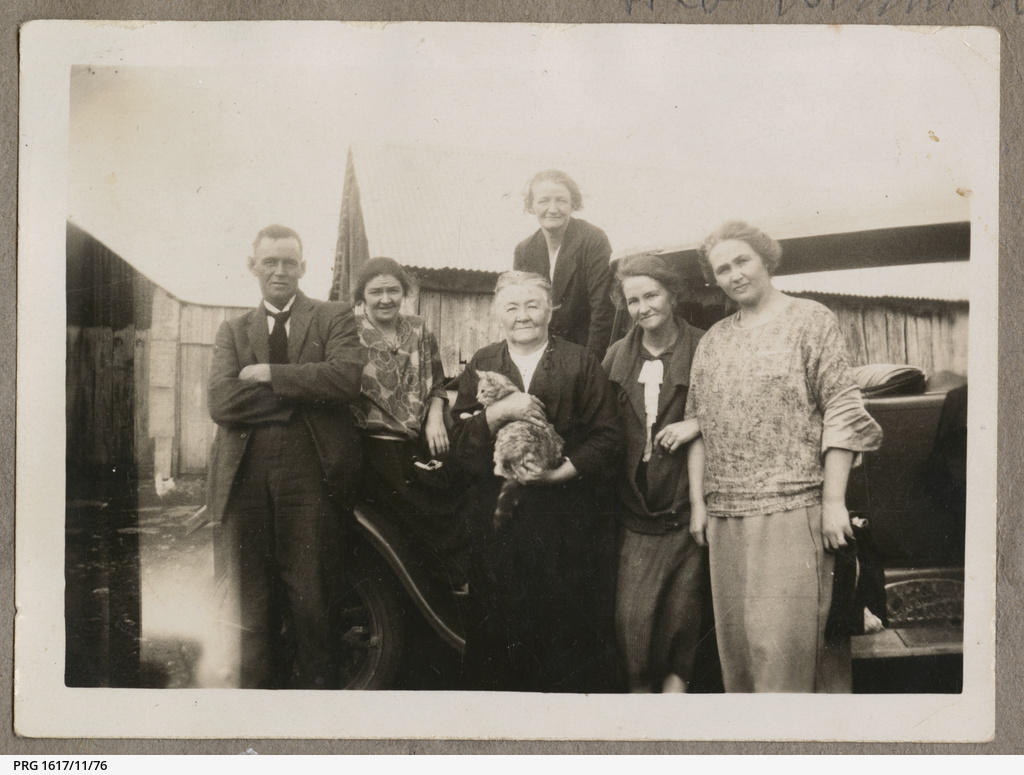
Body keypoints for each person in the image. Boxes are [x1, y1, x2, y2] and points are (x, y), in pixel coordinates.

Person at [685, 220, 883, 693]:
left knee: (788, 655)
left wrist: (833, 502)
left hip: (794, 511)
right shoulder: (714, 340)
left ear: (765, 259)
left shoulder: (810, 319)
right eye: (722, 269)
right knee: (742, 657)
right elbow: (700, 426)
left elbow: (841, 406)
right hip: (726, 516)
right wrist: (699, 505)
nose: (733, 275)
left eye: (742, 261)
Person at [207, 224, 365, 689]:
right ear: (252, 266)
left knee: (312, 598)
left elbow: (345, 381)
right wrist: (300, 393)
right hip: (245, 476)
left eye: (289, 262)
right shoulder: (233, 331)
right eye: (270, 262)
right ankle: (257, 709)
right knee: (249, 603)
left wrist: (268, 373)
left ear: (303, 267)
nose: (280, 271)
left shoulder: (334, 316)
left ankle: (316, 710)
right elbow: (221, 402)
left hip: (311, 473)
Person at [450, 270, 623, 692]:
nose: (522, 316)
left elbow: (609, 436)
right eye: (511, 307)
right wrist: (499, 413)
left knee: (562, 630)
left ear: (551, 310)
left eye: (532, 305)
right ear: (496, 313)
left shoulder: (580, 361)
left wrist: (559, 473)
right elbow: (460, 445)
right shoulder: (482, 362)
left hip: (564, 520)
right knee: (497, 629)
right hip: (497, 522)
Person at [602, 254, 713, 693]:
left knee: (682, 617)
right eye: (632, 300)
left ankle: (674, 711)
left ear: (672, 294)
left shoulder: (706, 346)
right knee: (632, 621)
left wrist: (697, 424)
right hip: (636, 507)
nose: (643, 307)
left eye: (652, 295)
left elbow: (734, 409)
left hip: (687, 501)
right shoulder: (615, 356)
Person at [350, 256, 468, 588]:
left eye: (393, 290)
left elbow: (438, 383)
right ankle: (431, 585)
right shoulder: (350, 331)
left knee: (459, 482)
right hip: (375, 444)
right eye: (376, 292)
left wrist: (434, 417)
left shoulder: (417, 328)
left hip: (419, 437)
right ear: (363, 296)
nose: (385, 299)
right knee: (415, 508)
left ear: (405, 292)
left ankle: (454, 584)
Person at [513, 169, 616, 359]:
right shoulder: (524, 250)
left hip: (585, 350)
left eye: (561, 200)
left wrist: (589, 367)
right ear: (532, 205)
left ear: (572, 204)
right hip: (541, 354)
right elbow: (522, 309)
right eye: (544, 201)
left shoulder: (593, 240)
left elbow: (602, 310)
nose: (553, 209)